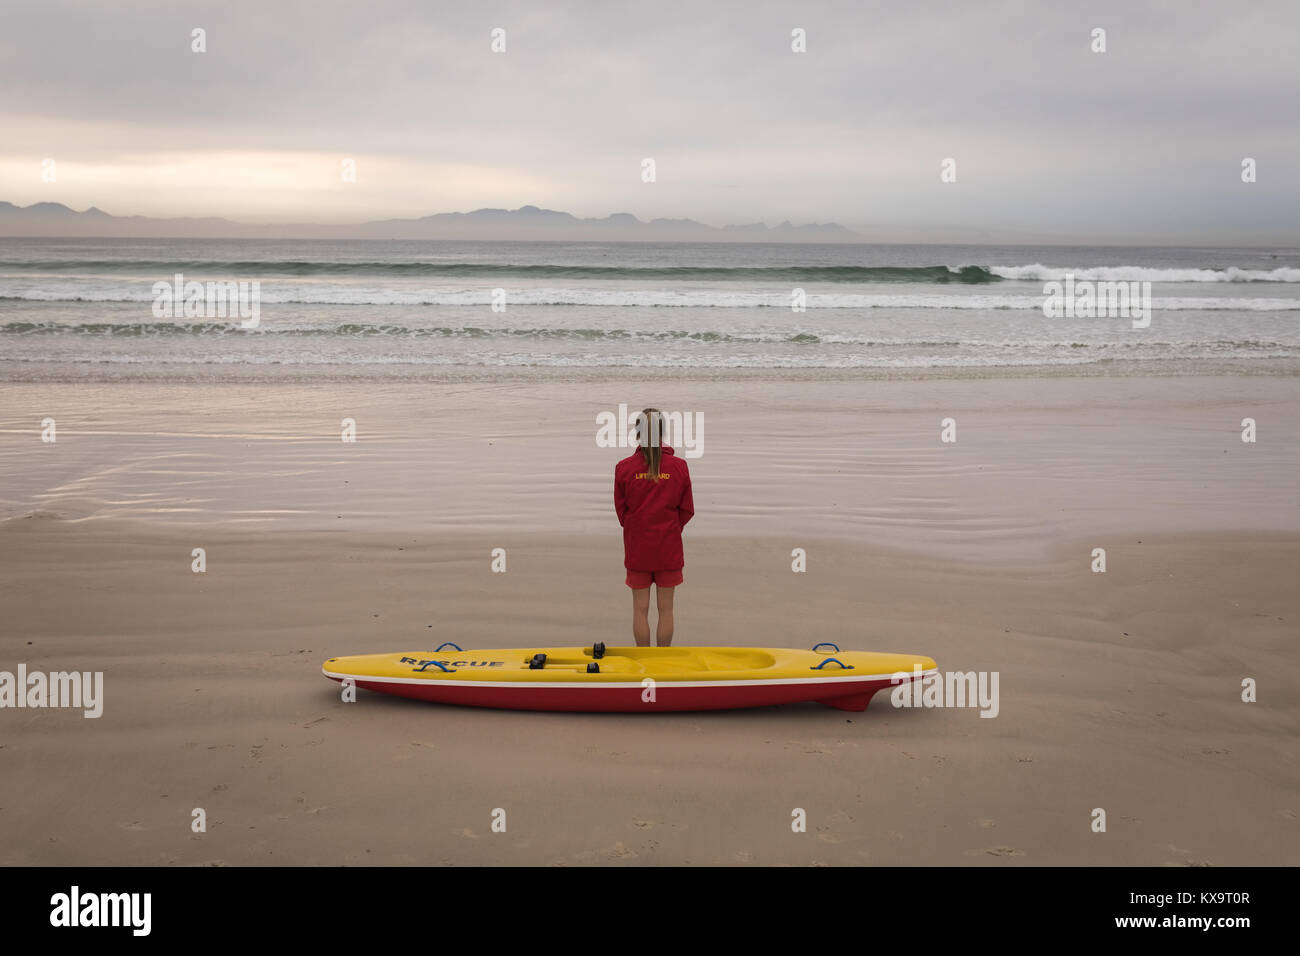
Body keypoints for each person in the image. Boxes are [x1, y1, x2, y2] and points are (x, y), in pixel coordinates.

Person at [613, 407, 694, 646]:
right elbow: (686, 509)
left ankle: (645, 658)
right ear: (662, 431)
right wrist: (669, 528)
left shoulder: (624, 467)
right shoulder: (679, 467)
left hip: (638, 546)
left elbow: (622, 512)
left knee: (640, 610)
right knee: (666, 610)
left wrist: (638, 527)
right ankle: (663, 659)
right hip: (668, 546)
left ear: (638, 432)